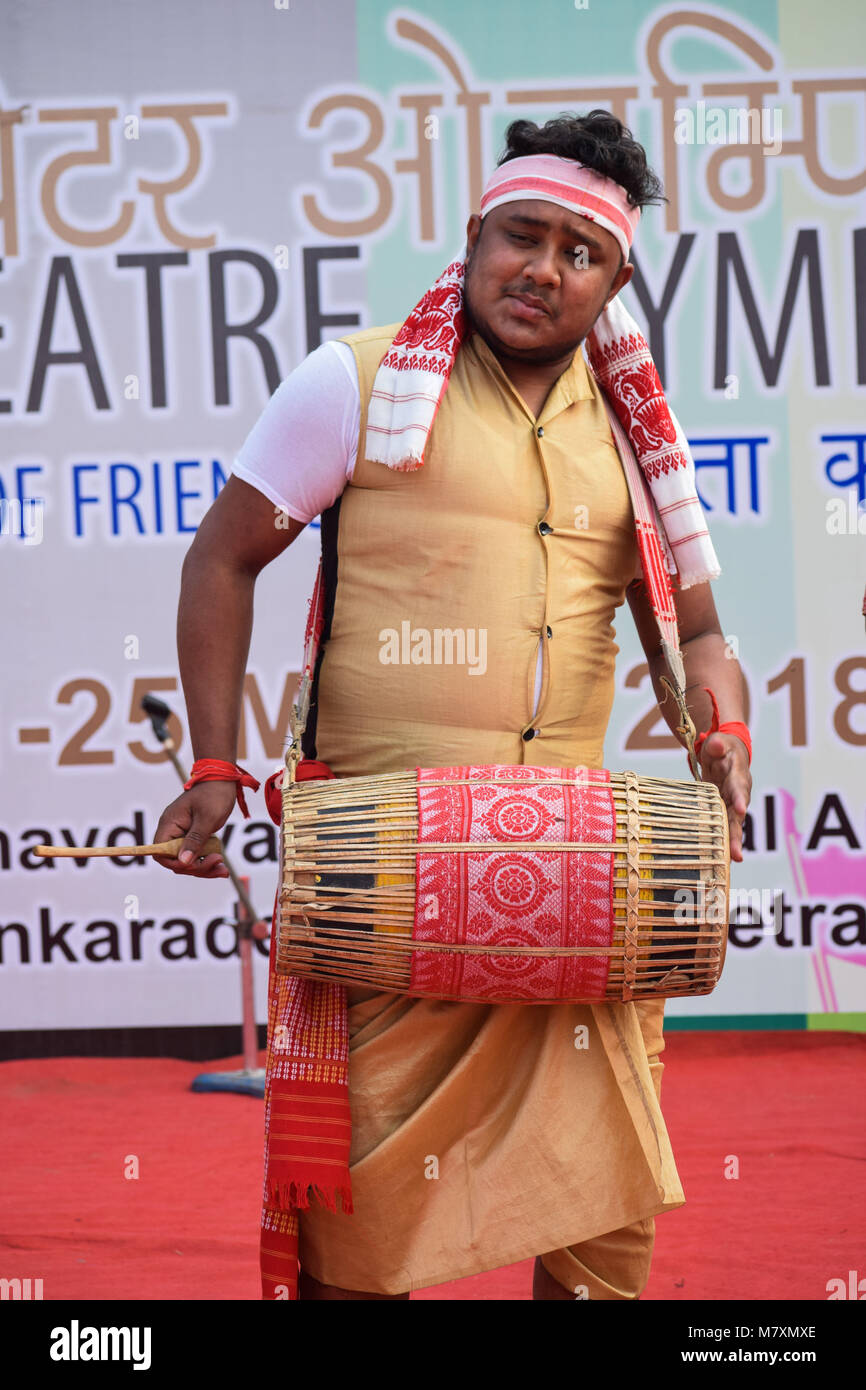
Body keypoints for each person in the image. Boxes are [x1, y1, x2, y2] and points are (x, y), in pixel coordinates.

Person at [153, 110, 752, 1301]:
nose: (542, 270)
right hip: (387, 875)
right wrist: (216, 768)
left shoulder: (638, 441)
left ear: (615, 279)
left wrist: (719, 730)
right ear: (473, 236)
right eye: (520, 237)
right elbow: (219, 561)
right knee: (360, 1226)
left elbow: (695, 631)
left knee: (600, 1227)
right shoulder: (354, 382)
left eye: (577, 253)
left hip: (581, 886)